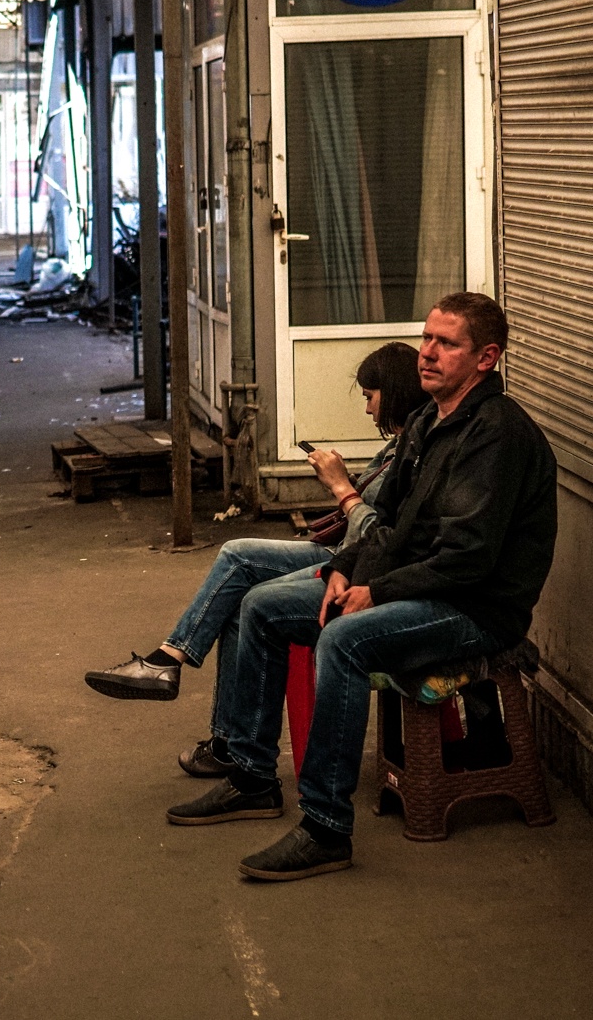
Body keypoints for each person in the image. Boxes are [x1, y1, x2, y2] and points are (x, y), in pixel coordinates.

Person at [165, 292, 557, 882]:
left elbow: (468, 562)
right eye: (426, 338)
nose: (426, 354)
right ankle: (251, 778)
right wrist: (347, 567)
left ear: (486, 358)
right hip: (419, 586)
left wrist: (376, 593)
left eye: (446, 344)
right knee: (261, 606)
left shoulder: (496, 437)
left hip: (475, 608)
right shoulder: (428, 421)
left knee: (344, 642)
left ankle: (325, 827)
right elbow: (386, 518)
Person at [82, 341, 429, 777]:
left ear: (393, 392)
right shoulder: (400, 443)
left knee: (243, 578)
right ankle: (211, 721)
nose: (367, 410)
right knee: (236, 566)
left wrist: (344, 489)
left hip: (356, 564)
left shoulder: (417, 449)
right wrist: (346, 483)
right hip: (345, 554)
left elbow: (381, 536)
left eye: (370, 397)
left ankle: (181, 679)